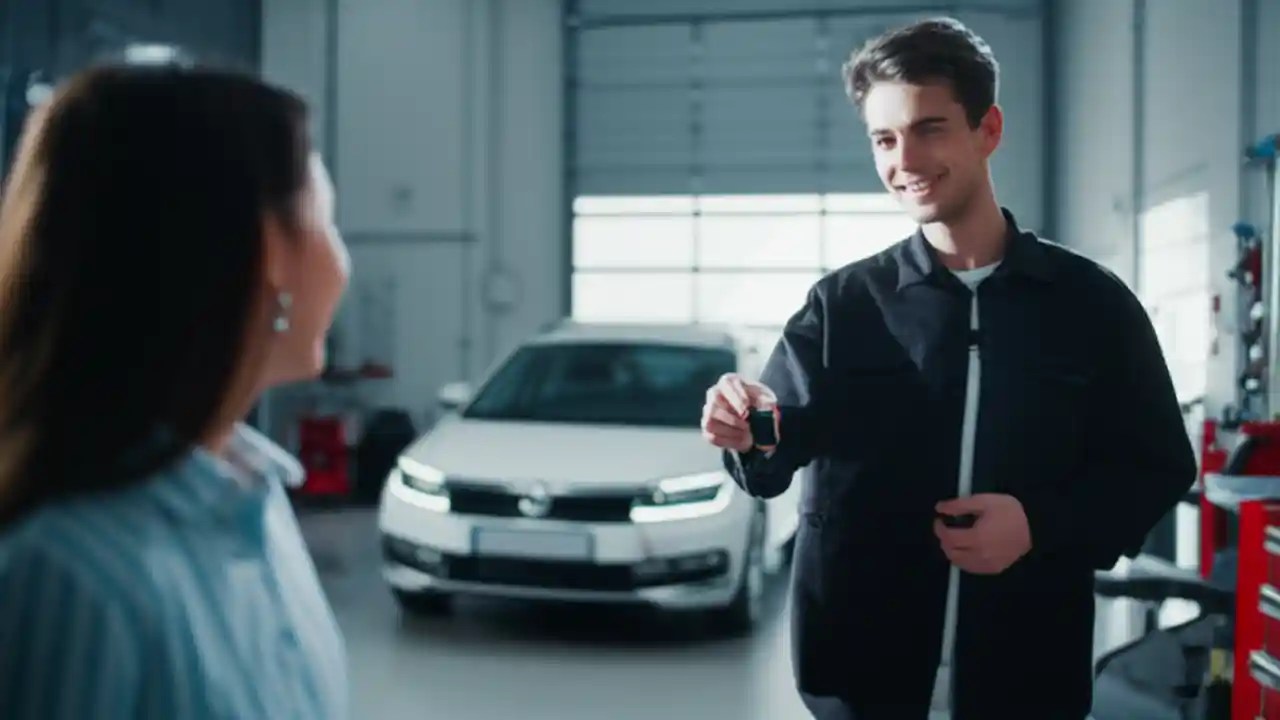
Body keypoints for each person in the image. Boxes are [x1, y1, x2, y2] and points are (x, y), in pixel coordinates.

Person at [701, 17, 1196, 720]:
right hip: (858, 682)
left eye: (929, 128)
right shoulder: (843, 306)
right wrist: (748, 429)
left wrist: (1038, 525)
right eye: (884, 138)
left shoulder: (1092, 306)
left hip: (1027, 678)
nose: (904, 159)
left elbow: (1156, 467)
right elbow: (779, 447)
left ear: (987, 130)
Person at [0, 64, 351, 719]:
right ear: (265, 250)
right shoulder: (68, 576)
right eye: (327, 221)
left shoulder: (256, 503)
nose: (341, 263)